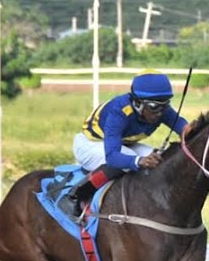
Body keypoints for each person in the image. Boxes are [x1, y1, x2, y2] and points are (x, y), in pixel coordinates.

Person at [71, 70, 188, 217]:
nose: (160, 113)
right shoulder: (118, 111)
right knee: (130, 159)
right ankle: (81, 195)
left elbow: (183, 127)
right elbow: (113, 156)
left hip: (124, 143)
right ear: (138, 103)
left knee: (160, 159)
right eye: (154, 107)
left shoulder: (160, 109)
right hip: (90, 144)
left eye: (164, 106)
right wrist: (138, 161)